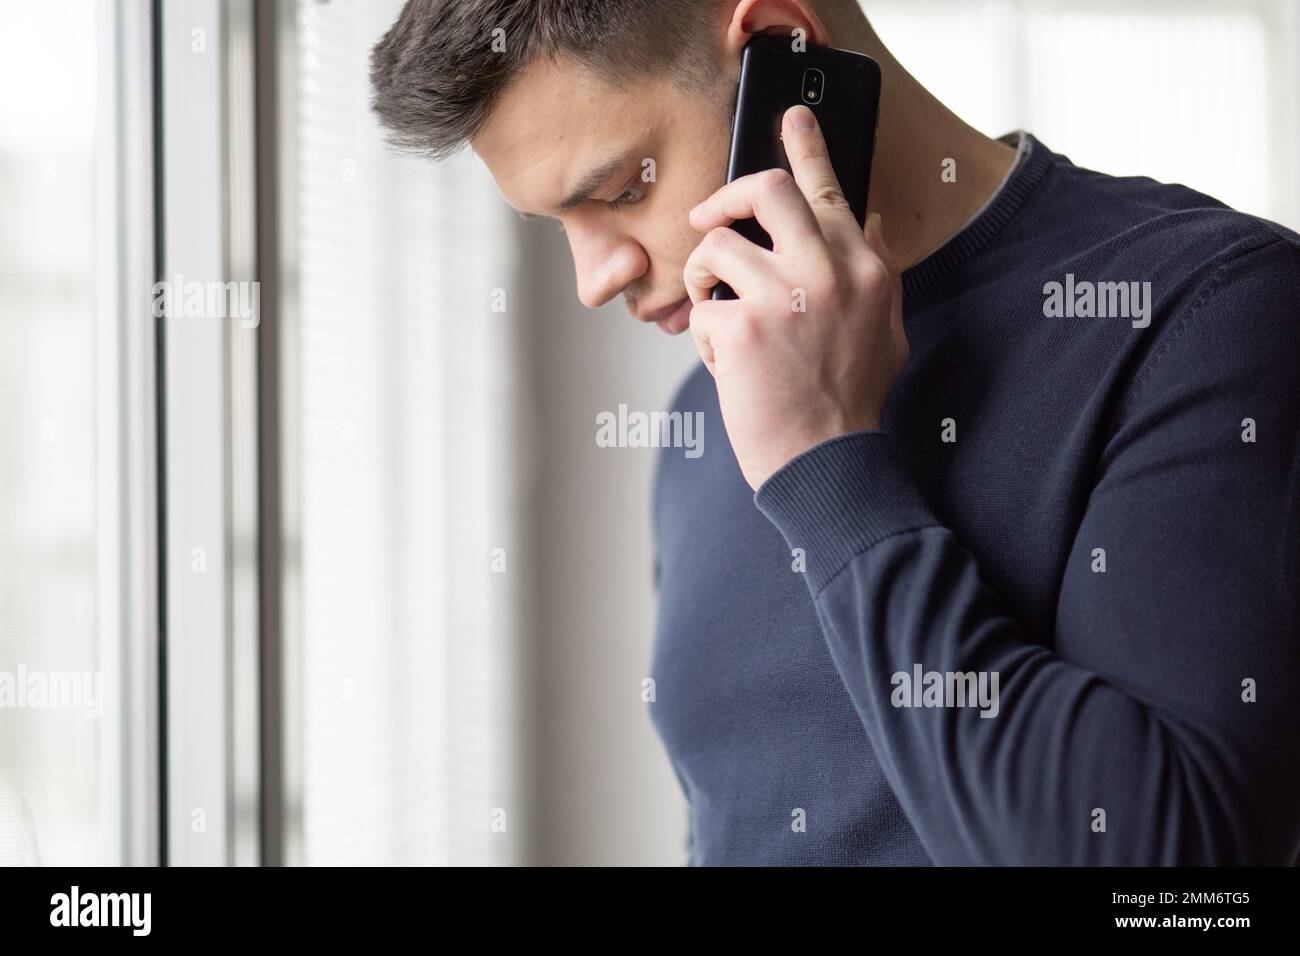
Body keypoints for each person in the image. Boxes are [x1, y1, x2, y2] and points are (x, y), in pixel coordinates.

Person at [371, 0, 1300, 864]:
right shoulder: (709, 410)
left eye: (618, 192)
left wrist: (825, 463)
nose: (595, 278)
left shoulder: (1212, 312)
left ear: (788, 48)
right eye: (553, 224)